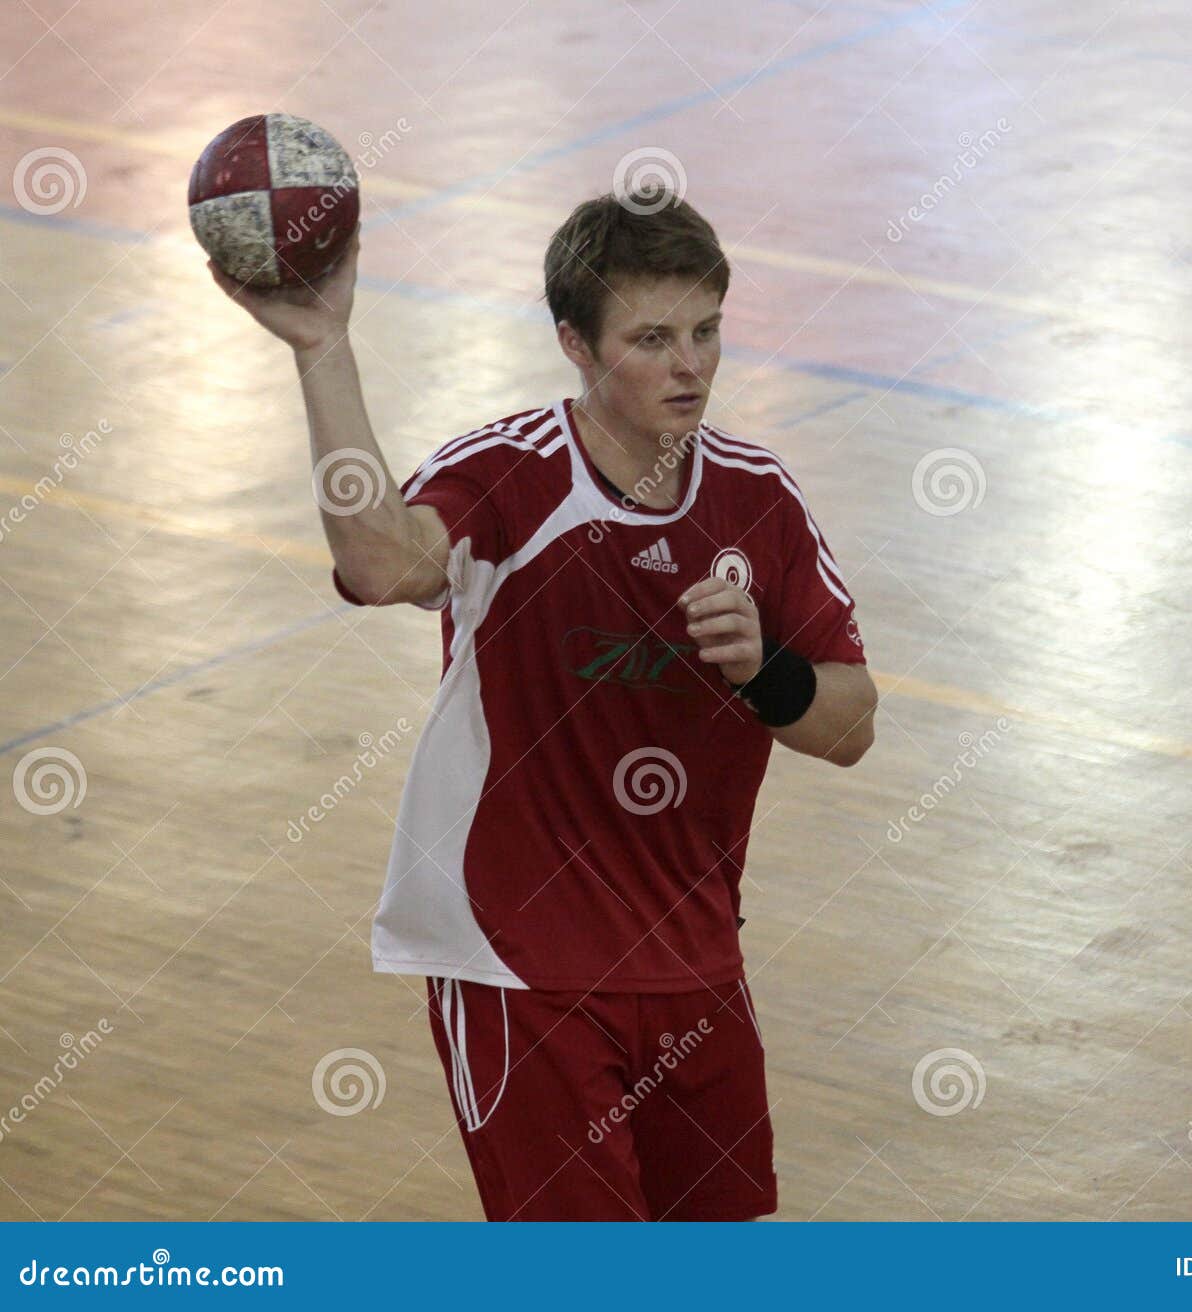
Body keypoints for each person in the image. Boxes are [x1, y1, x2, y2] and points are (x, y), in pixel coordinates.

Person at [209, 185, 877, 1221]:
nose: (690, 363)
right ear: (573, 340)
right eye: (652, 338)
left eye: (705, 330)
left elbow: (851, 727)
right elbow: (382, 563)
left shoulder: (760, 497)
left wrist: (767, 672)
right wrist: (321, 350)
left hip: (695, 964)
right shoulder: (507, 475)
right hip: (517, 963)